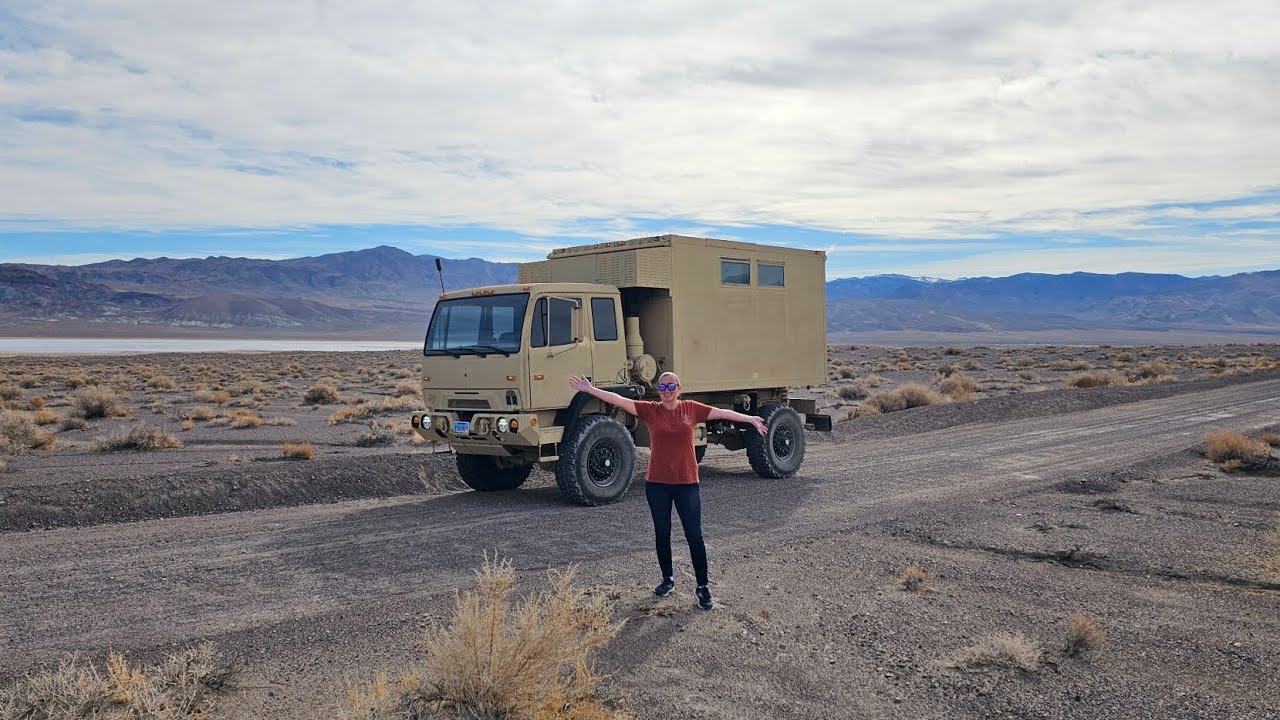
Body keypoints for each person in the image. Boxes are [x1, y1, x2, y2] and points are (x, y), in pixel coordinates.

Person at [568, 371, 766, 610]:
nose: (667, 390)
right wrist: (590, 390)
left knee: (695, 536)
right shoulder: (651, 410)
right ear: (659, 390)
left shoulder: (691, 409)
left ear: (679, 388)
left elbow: (722, 413)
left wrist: (751, 419)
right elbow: (619, 401)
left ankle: (702, 587)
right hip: (657, 485)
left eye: (671, 386)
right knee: (662, 535)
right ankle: (667, 579)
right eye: (663, 387)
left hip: (687, 484)